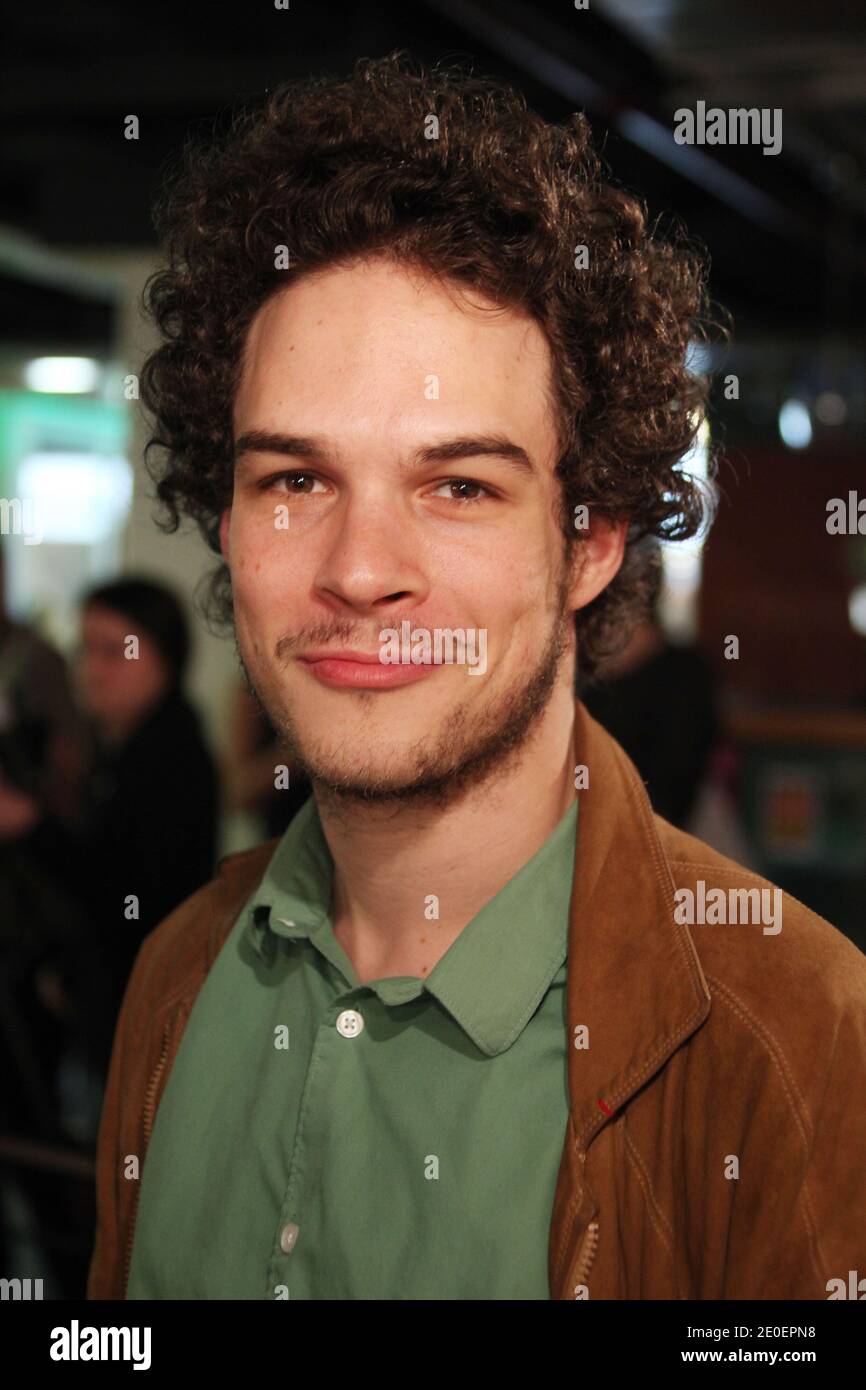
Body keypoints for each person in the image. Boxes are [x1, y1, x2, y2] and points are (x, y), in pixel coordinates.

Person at [88, 53, 866, 1300]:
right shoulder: (180, 971)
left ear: (590, 539)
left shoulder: (800, 1043)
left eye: (458, 487)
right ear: (225, 519)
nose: (359, 570)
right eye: (294, 479)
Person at [32, 578, 220, 1048]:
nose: (90, 669)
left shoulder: (168, 755)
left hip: (137, 1017)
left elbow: (125, 893)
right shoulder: (127, 745)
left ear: (166, 656)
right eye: (86, 649)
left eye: (114, 652)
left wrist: (32, 826)